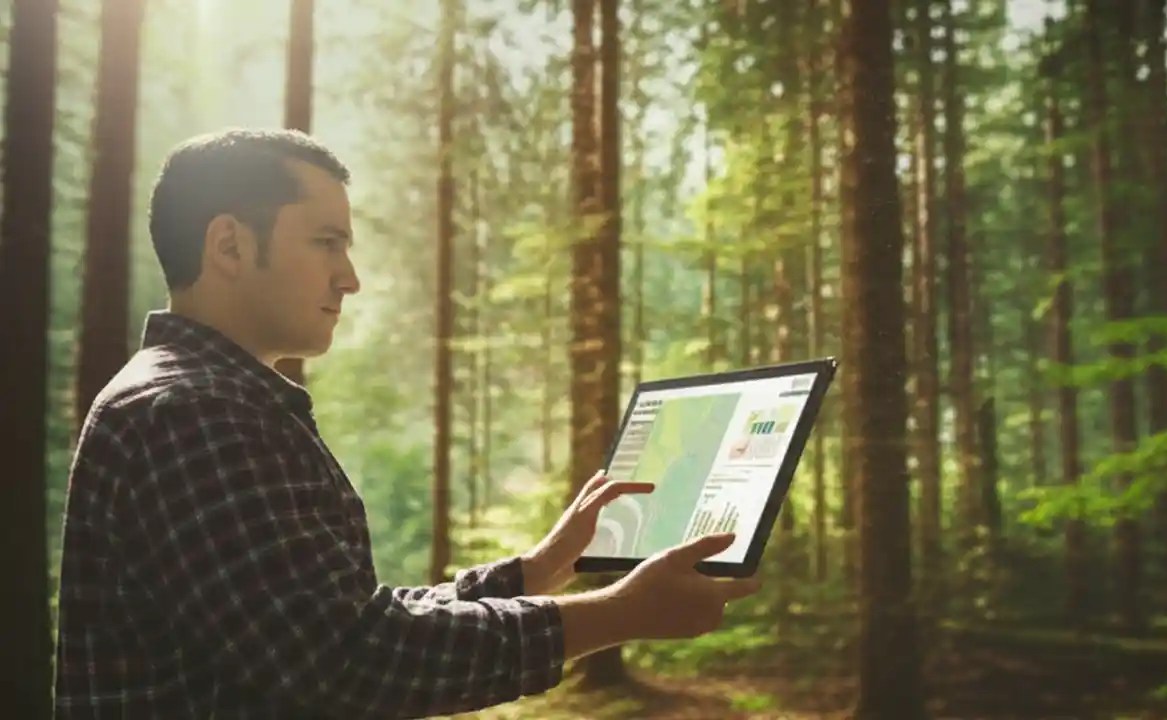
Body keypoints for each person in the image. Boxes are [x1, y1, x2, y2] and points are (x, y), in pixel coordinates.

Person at [53, 128, 762, 718]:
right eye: (326, 242)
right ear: (230, 246)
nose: (350, 277)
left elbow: (341, 619)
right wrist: (618, 614)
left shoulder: (202, 401)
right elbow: (344, 661)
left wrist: (535, 570)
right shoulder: (193, 414)